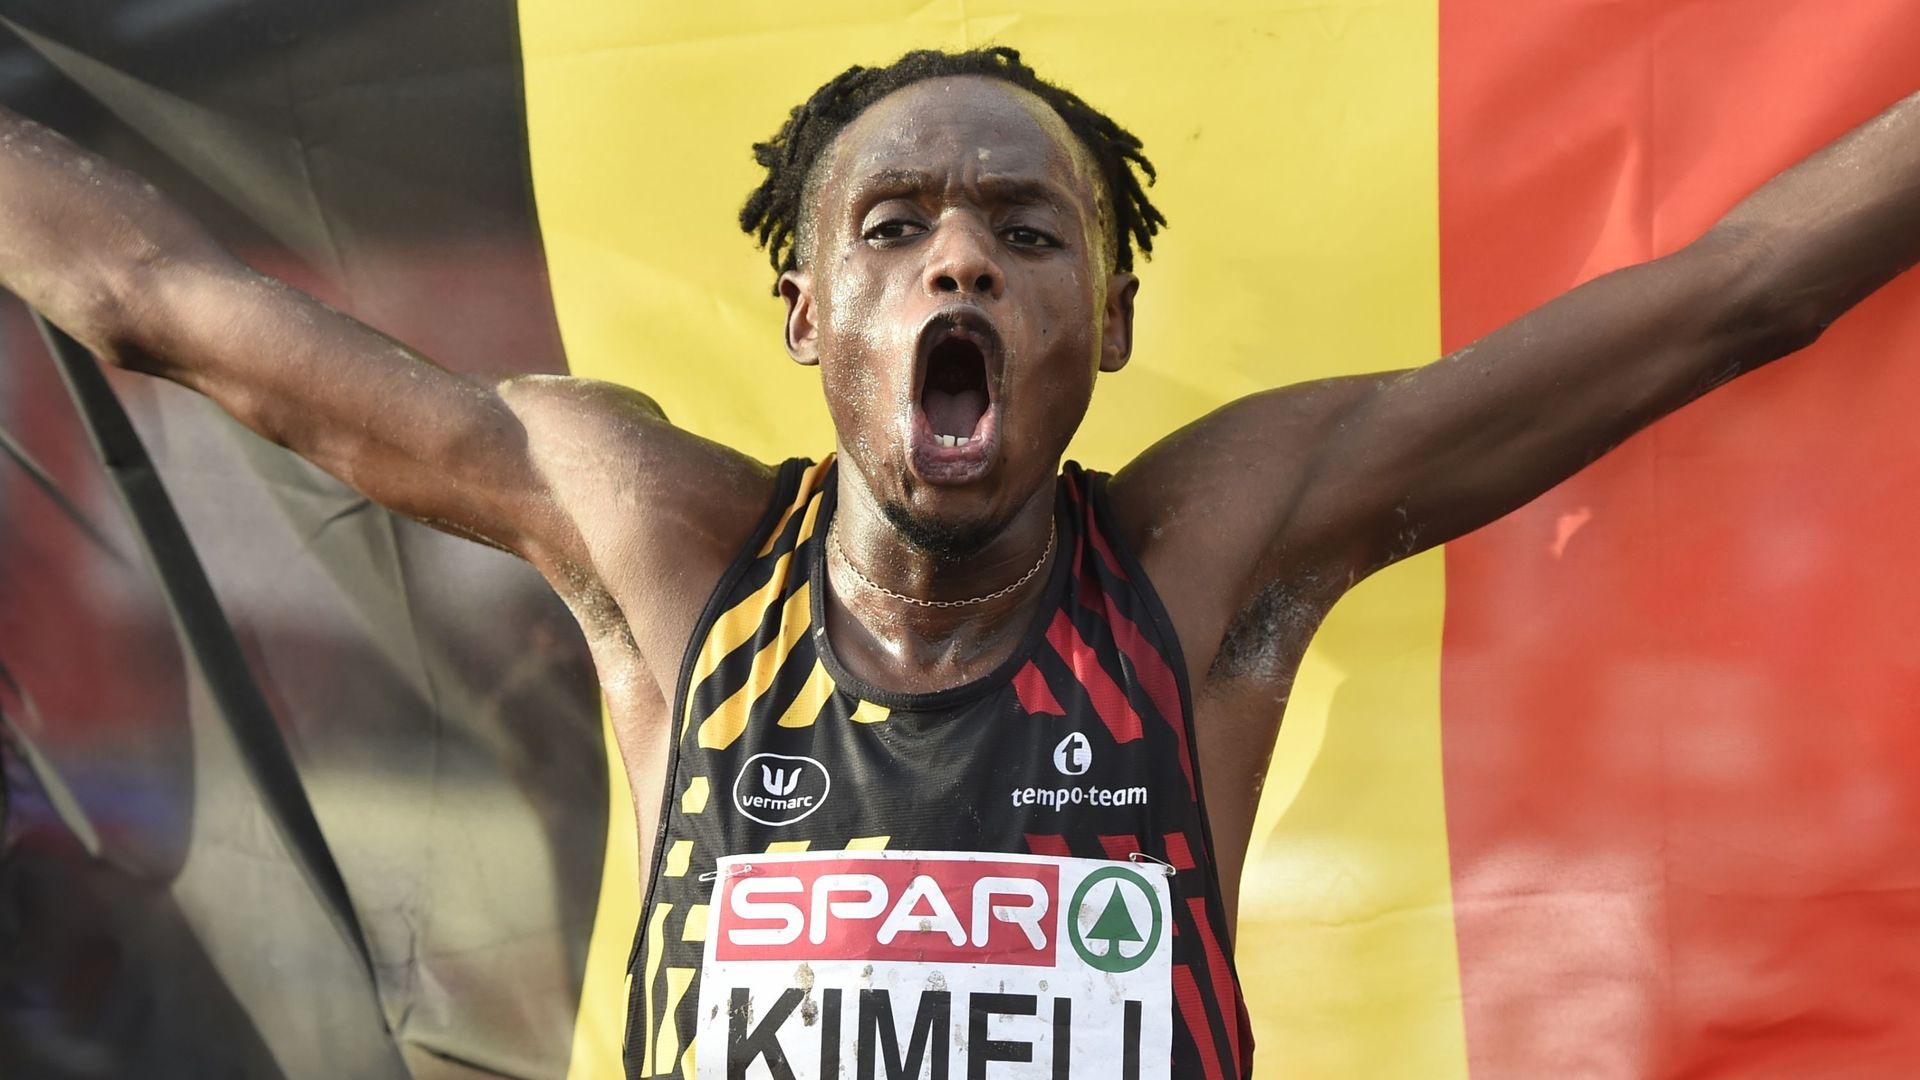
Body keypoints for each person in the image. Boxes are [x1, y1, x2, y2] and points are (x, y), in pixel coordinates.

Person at [2, 44, 1916, 1080]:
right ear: (805, 313)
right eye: (895, 226)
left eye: (1026, 228)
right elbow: (156, 300)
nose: (962, 261)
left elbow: (1730, 296)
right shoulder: (663, 551)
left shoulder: (1202, 564)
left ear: (1110, 318)